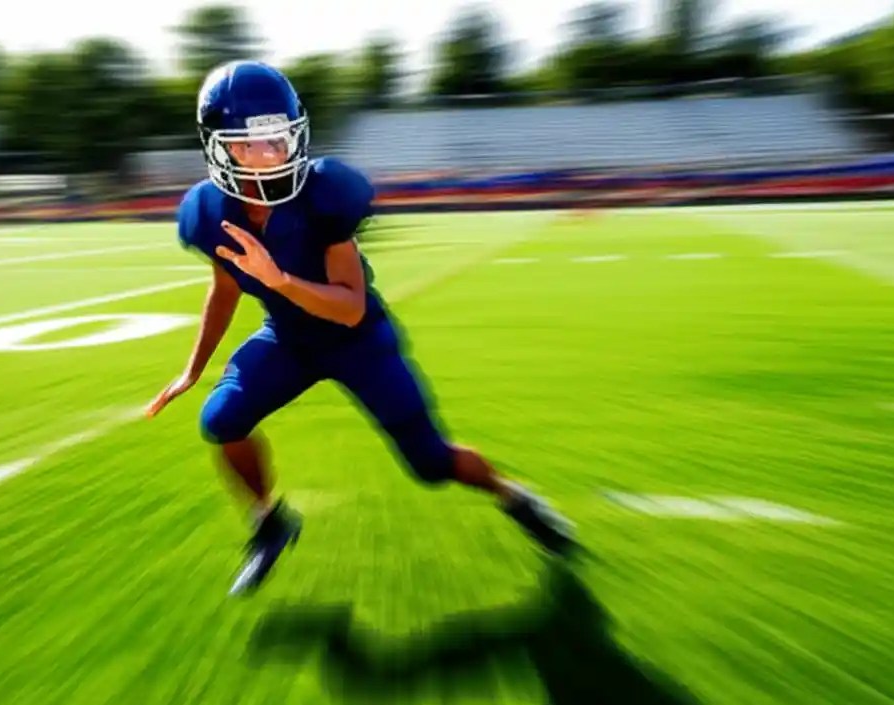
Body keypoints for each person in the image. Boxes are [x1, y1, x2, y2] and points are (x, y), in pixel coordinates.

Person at [145, 61, 577, 596]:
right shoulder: (207, 212)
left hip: (358, 342)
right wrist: (193, 369)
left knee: (431, 462)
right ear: (218, 148)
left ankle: (514, 496)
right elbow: (227, 287)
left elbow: (349, 307)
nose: (269, 156)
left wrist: (278, 279)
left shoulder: (326, 193)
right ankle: (269, 523)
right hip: (289, 340)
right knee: (221, 420)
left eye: (278, 140)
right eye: (249, 145)